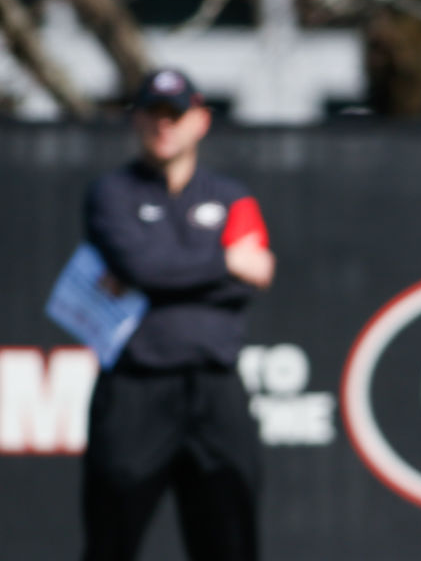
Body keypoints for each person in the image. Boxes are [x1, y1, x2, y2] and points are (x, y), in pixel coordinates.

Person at [80, 68, 275, 561]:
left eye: (175, 113)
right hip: (135, 387)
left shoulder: (231, 196)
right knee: (110, 541)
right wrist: (224, 263)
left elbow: (258, 272)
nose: (164, 124)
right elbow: (143, 265)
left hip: (216, 388)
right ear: (136, 120)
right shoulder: (112, 194)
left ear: (200, 120)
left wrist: (158, 276)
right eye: (152, 113)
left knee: (231, 542)